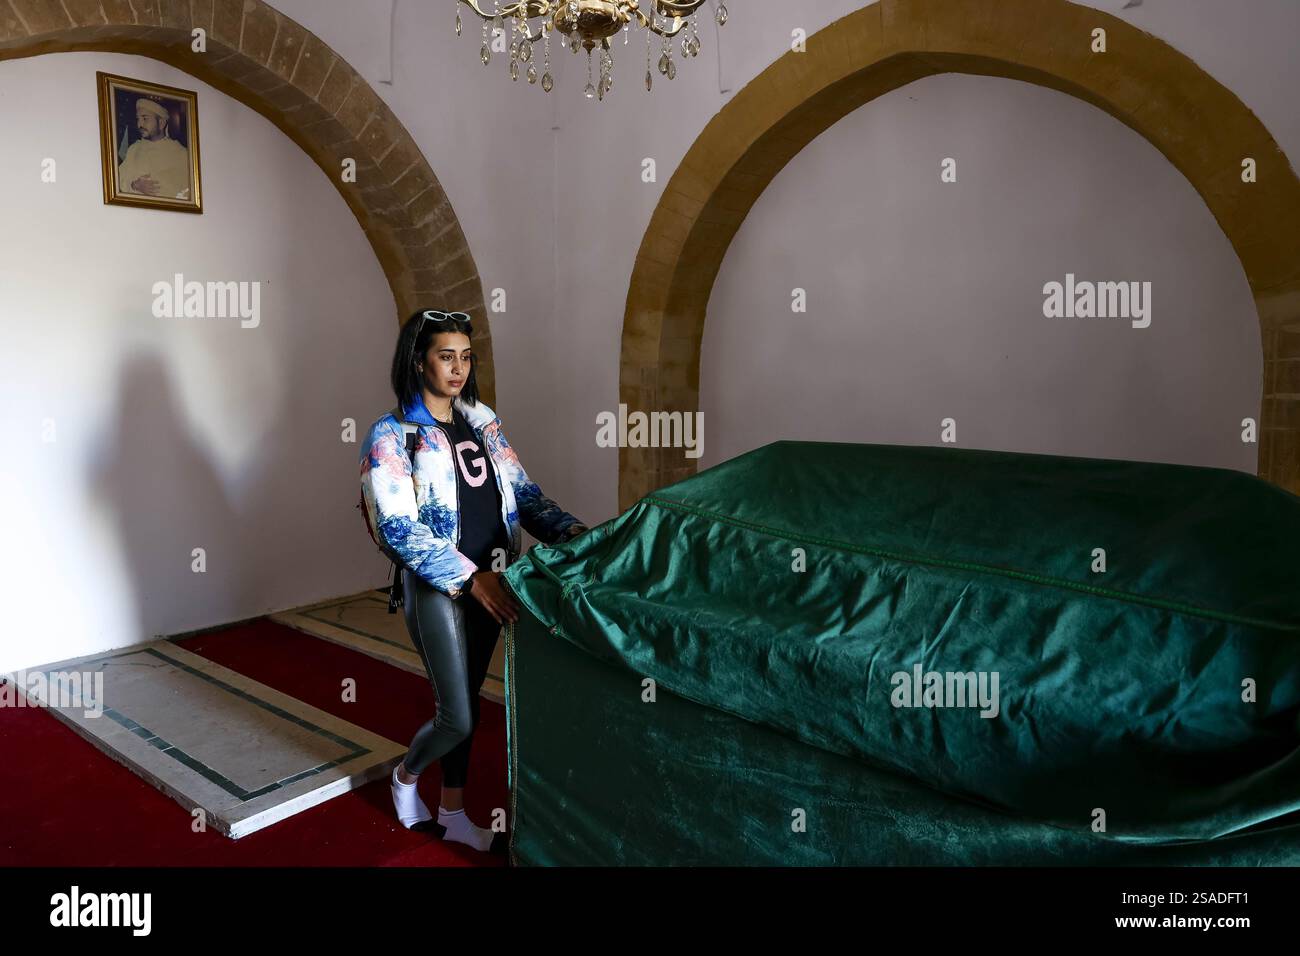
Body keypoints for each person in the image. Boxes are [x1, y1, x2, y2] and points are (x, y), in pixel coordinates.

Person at [359, 309, 588, 853]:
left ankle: (454, 812)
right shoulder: (392, 435)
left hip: (498, 580)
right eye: (445, 355)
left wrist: (577, 535)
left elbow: (525, 496)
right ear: (419, 361)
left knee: (471, 703)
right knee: (456, 716)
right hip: (443, 587)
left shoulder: (482, 422)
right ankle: (406, 777)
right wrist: (471, 578)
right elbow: (394, 527)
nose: (458, 368)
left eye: (466, 356)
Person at [118, 98, 191, 200]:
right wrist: (134, 185)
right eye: (138, 119)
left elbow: (187, 192)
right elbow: (118, 180)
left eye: (145, 119)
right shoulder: (134, 149)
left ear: (161, 123)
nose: (140, 125)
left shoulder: (181, 153)